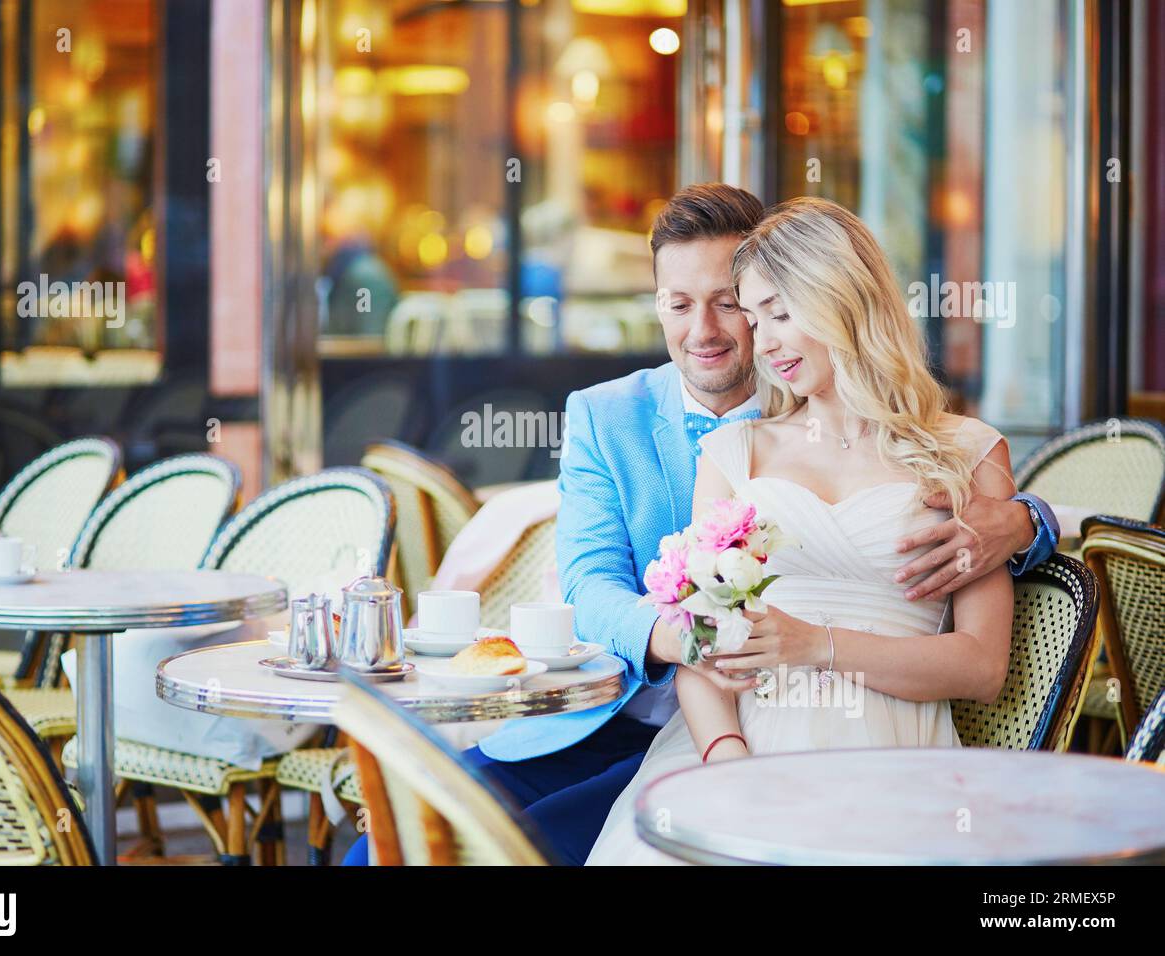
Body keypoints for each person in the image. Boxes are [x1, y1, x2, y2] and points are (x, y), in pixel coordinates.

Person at [342, 183, 1058, 866]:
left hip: (839, 730)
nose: (707, 330)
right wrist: (681, 639)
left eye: (732, 305)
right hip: (630, 717)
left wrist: (1025, 523)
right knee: (390, 841)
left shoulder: (946, 450)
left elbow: (980, 640)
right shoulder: (621, 417)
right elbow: (590, 584)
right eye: (679, 304)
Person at [588, 196, 1022, 864]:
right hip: (735, 746)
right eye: (755, 319)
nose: (764, 345)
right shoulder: (735, 453)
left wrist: (815, 644)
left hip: (890, 750)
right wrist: (726, 758)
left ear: (844, 302)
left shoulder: (967, 452)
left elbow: (982, 667)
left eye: (781, 315)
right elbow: (700, 646)